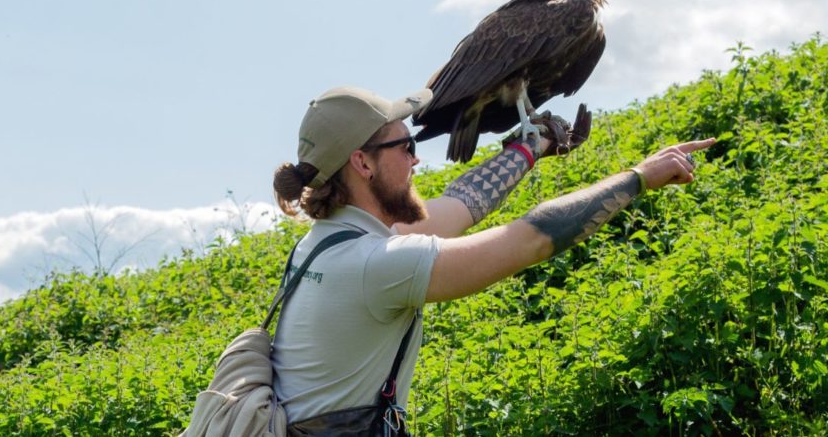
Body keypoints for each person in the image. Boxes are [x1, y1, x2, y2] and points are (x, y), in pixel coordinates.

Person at [269, 86, 714, 433]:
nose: (417, 159)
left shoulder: (325, 243)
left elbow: (462, 204)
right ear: (363, 164)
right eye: (404, 147)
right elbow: (529, 241)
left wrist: (529, 147)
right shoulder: (374, 265)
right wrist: (637, 178)